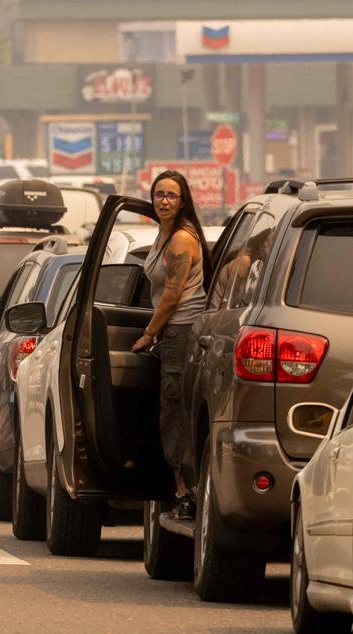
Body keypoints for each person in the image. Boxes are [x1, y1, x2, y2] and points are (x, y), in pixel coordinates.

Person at [132, 170, 210, 521]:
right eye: (159, 194)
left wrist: (150, 333)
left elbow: (173, 294)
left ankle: (186, 492)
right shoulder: (164, 234)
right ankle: (180, 487)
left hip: (180, 331)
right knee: (169, 409)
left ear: (183, 201)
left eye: (171, 196)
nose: (164, 201)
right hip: (172, 333)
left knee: (175, 411)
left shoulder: (181, 239)